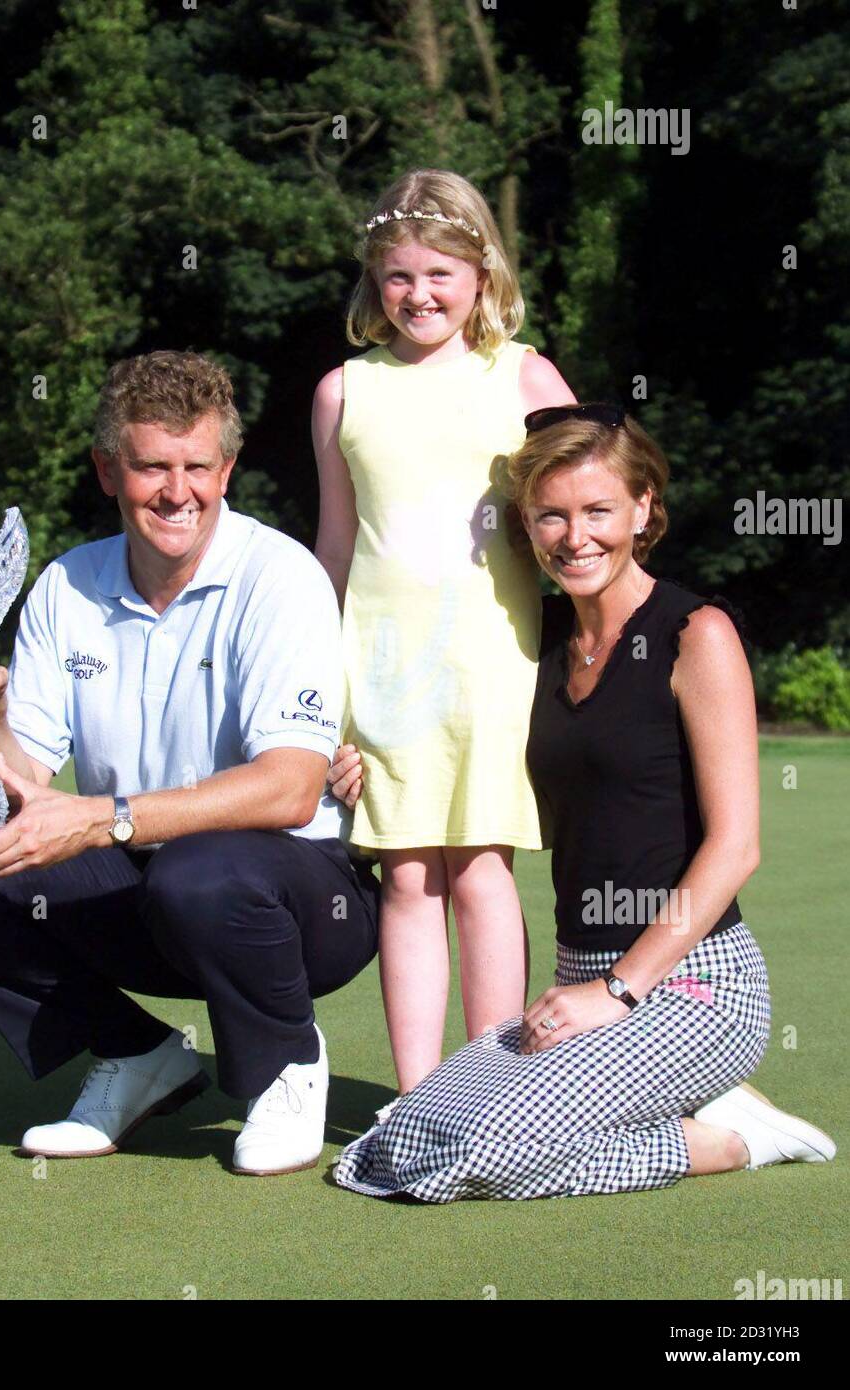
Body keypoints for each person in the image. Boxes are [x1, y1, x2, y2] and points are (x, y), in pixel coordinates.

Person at [0, 350, 379, 1177]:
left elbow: (290, 789)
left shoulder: (280, 576)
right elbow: (20, 776)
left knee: (198, 871)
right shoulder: (68, 584)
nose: (175, 491)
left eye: (196, 467)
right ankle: (134, 1053)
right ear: (108, 470)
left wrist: (105, 819)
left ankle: (284, 1064)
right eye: (151, 466)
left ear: (227, 468)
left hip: (298, 902)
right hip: (141, 885)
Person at [328, 403, 835, 1202]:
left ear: (642, 510)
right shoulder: (537, 649)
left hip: (692, 987)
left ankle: (735, 1138)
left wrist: (619, 990)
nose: (574, 537)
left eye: (598, 511)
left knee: (474, 1152)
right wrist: (359, 756)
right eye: (550, 516)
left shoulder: (694, 633)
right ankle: (663, 1107)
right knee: (401, 1135)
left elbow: (735, 846)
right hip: (576, 982)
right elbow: (447, 741)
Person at [313, 168, 576, 1094]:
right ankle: (418, 1100)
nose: (418, 294)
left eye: (439, 274)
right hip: (378, 668)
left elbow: (580, 511)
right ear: (372, 282)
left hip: (493, 659)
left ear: (480, 273)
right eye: (397, 276)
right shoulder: (343, 392)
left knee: (479, 868)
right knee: (408, 877)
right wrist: (318, 705)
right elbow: (334, 549)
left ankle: (492, 1088)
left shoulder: (528, 374)